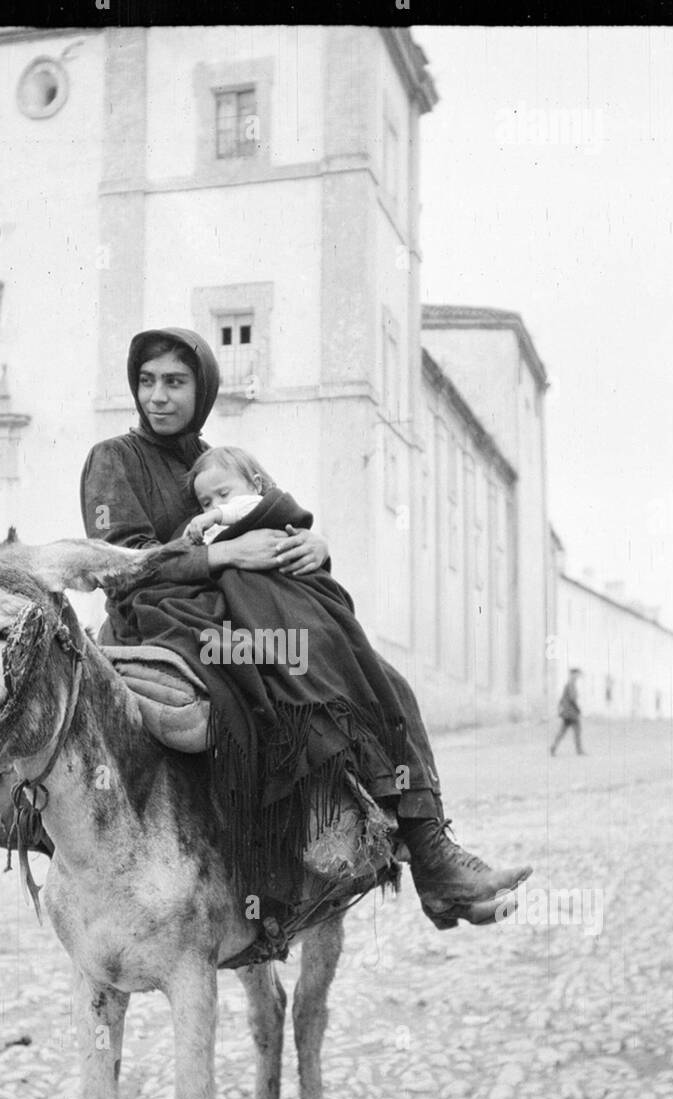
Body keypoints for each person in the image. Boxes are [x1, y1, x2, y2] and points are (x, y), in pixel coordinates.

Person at [79, 327, 531, 931]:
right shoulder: (115, 459)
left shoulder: (214, 461)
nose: (158, 396)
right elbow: (118, 565)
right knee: (270, 676)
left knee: (382, 679)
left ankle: (430, 850)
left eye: (175, 382)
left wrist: (310, 543)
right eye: (147, 381)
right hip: (163, 622)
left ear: (203, 388)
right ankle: (272, 871)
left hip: (248, 606)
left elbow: (267, 514)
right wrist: (223, 558)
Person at [551, 668, 586, 755]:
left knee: (563, 731)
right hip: (572, 713)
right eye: (577, 674)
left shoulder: (569, 684)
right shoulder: (571, 685)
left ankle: (554, 746)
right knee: (577, 731)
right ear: (573, 674)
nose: (578, 676)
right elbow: (572, 699)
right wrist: (578, 709)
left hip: (568, 712)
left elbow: (562, 699)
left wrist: (560, 709)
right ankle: (579, 750)